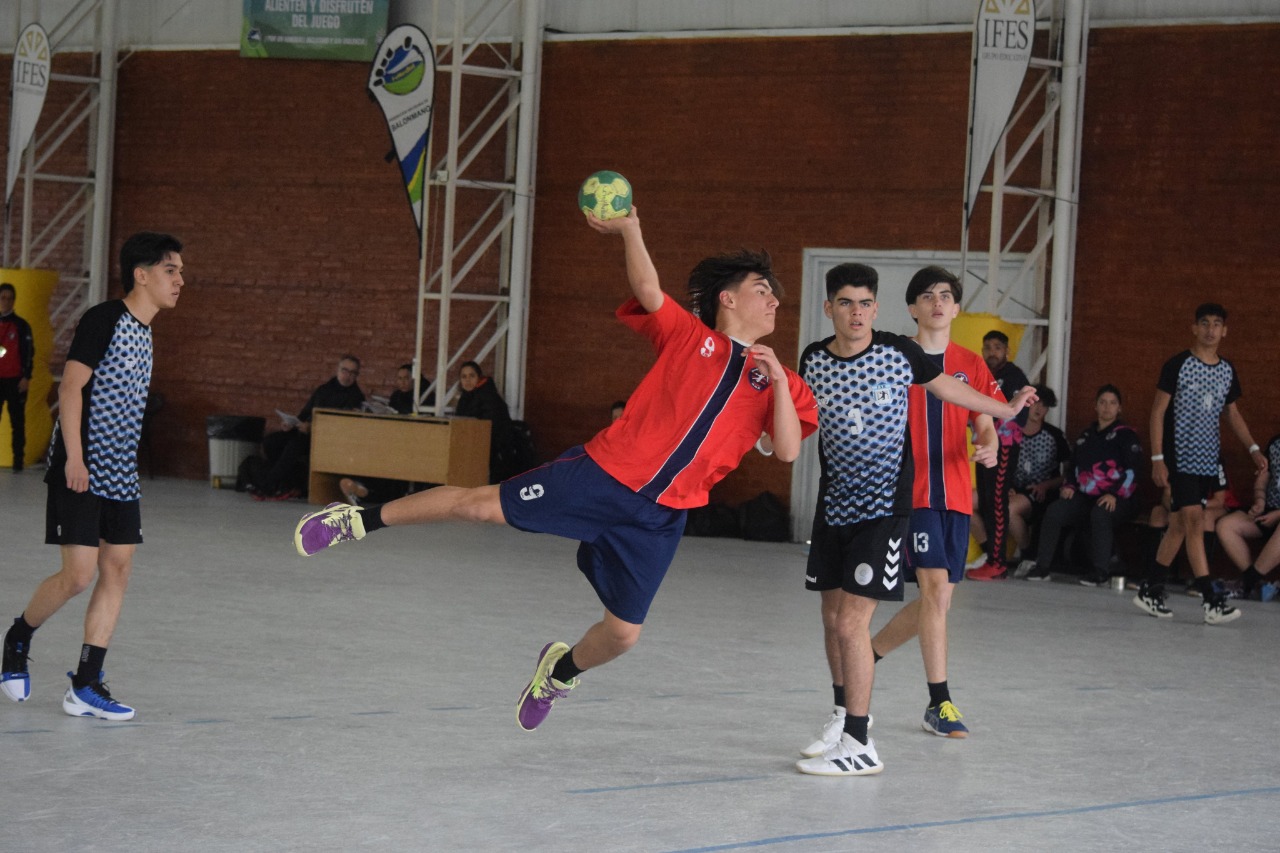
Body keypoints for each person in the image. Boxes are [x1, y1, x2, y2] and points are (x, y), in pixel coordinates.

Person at [293, 205, 818, 736]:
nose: (774, 299)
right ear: (728, 299)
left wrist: (775, 380)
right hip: (602, 476)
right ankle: (358, 519)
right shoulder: (689, 338)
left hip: (661, 516)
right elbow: (648, 287)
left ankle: (557, 673)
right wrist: (631, 229)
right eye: (762, 289)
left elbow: (788, 449)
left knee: (623, 635)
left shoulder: (784, 383)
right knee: (479, 505)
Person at [794, 263, 1034, 777]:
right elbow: (806, 414)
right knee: (844, 618)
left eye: (863, 303)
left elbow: (966, 404)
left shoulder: (921, 357)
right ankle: (866, 711)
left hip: (911, 500)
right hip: (859, 499)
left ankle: (866, 721)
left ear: (875, 309)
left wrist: (1000, 421)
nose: (855, 313)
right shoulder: (830, 356)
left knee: (894, 609)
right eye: (845, 303)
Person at [1, 232, 184, 717]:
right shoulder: (104, 319)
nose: (180, 280)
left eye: (180, 272)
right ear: (141, 275)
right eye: (171, 271)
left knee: (117, 571)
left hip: (121, 472)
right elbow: (72, 389)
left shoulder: (147, 331)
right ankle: (18, 638)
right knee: (78, 576)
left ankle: (85, 682)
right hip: (81, 467)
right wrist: (75, 460)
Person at [852, 266, 1000, 744]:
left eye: (946, 296)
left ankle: (867, 654)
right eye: (927, 296)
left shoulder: (971, 362)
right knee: (935, 589)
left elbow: (985, 418)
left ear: (957, 308)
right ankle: (940, 702)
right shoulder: (894, 357)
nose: (937, 302)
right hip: (909, 491)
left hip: (955, 493)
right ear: (913, 308)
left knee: (939, 600)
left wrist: (988, 442)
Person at [1135, 303, 1268, 624]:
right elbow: (1157, 412)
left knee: (1180, 525)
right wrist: (1157, 459)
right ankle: (1211, 598)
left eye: (1217, 324)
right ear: (1194, 328)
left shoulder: (1227, 370)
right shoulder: (1178, 365)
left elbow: (1232, 413)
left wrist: (1252, 448)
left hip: (1207, 462)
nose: (1210, 329)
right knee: (1194, 522)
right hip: (1178, 457)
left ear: (1225, 331)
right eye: (1204, 323)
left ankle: (1150, 589)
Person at [1020, 385, 1142, 584]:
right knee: (1056, 511)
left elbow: (1133, 472)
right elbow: (1073, 468)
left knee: (1100, 513)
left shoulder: (1126, 436)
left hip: (1120, 498)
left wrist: (1115, 495)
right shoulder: (1086, 436)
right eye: (1102, 402)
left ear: (1119, 408)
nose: (1107, 407)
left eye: (1112, 403)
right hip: (1086, 496)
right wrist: (1069, 486)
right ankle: (1042, 567)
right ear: (1095, 406)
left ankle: (1100, 572)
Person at [968, 330, 1031, 580]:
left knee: (996, 500)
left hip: (1003, 446)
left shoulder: (1013, 376)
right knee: (985, 500)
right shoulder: (982, 374)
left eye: (997, 347)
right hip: (983, 445)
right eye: (987, 347)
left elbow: (1019, 415)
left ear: (1007, 351)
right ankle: (993, 558)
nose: (991, 352)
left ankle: (998, 563)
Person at [255, 355, 365, 499]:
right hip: (305, 431)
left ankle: (268, 485)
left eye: (352, 373)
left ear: (356, 375)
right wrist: (291, 423)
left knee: (293, 447)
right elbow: (306, 412)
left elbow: (342, 427)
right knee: (271, 442)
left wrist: (313, 428)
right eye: (345, 370)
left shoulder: (356, 398)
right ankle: (287, 483)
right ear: (337, 370)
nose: (348, 376)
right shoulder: (324, 389)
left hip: (326, 440)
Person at [1005, 385, 1071, 576]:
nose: (1038, 409)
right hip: (1015, 489)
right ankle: (991, 554)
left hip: (1041, 492)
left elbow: (1068, 474)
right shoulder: (1011, 431)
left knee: (1010, 509)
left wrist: (1046, 485)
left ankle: (1029, 555)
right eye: (1035, 403)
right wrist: (1007, 486)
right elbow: (1000, 464)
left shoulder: (1055, 436)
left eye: (1044, 405)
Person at [1214, 433, 1280, 600]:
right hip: (1268, 509)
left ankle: (1246, 583)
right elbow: (1263, 477)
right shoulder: (1275, 443)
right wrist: (1260, 501)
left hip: (1277, 514)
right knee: (1226, 525)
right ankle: (1256, 583)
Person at [455, 360, 514, 483]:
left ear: (479, 377)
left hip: (493, 453)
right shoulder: (465, 398)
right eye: (464, 377)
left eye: (472, 376)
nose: (467, 380)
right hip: (472, 449)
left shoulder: (488, 396)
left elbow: (492, 426)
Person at [0, 282, 36, 472]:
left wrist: (26, 377)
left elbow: (30, 352)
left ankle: (18, 462)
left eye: (9, 298)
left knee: (17, 422)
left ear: (14, 301)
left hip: (15, 381)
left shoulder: (21, 325)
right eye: (2, 298)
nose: (6, 302)